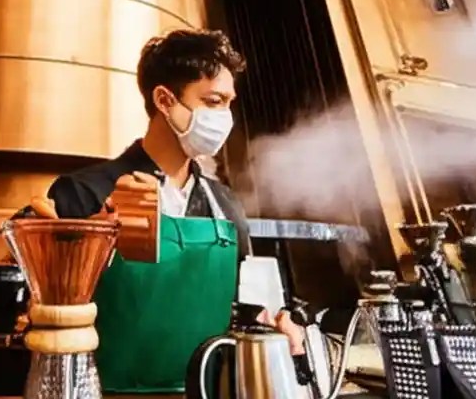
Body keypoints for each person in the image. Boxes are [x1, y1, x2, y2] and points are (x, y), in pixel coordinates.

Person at [23, 29, 305, 393]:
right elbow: (41, 304)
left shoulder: (225, 205)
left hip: (205, 390)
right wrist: (90, 243)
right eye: (213, 101)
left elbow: (246, 305)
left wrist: (277, 322)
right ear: (164, 100)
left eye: (228, 103)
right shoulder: (85, 192)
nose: (225, 118)